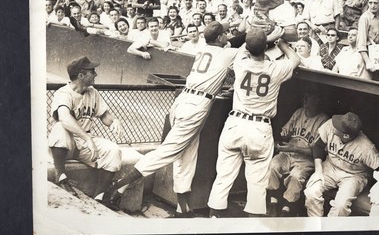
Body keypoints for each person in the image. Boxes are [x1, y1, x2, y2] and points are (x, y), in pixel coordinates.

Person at [103, 22, 244, 216]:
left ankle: (182, 207)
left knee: (186, 156)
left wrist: (233, 25)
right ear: (219, 38)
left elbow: (226, 37)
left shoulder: (204, 47)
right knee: (168, 152)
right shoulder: (226, 53)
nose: (227, 37)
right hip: (196, 105)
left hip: (183, 100)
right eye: (224, 35)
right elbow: (247, 43)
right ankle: (118, 186)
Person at [207, 29, 301, 217]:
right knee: (257, 183)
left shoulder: (240, 62)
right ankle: (252, 227)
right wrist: (281, 41)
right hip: (259, 127)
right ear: (265, 48)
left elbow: (245, 46)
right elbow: (295, 59)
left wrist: (267, 38)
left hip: (235, 123)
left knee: (223, 178)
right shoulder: (275, 68)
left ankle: (213, 221)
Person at [48, 56, 124, 207]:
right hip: (65, 146)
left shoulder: (93, 93)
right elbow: (63, 117)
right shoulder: (63, 93)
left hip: (85, 144)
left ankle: (100, 197)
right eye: (92, 71)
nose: (96, 74)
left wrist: (115, 121)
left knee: (113, 150)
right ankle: (61, 177)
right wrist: (87, 139)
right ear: (81, 75)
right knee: (60, 128)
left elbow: (104, 116)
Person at [304, 112, 379, 217]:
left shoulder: (366, 148)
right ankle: (317, 225)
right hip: (330, 167)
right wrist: (318, 171)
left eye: (338, 127)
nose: (334, 125)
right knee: (311, 192)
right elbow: (318, 146)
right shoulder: (330, 125)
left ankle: (331, 229)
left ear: (346, 135)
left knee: (341, 205)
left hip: (353, 175)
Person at [267, 91, 328, 217]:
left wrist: (294, 148)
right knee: (273, 165)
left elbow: (318, 151)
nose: (305, 102)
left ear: (317, 102)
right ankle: (273, 201)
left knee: (296, 176)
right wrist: (285, 135)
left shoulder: (324, 121)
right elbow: (286, 130)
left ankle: (287, 208)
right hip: (288, 154)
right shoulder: (299, 112)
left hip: (306, 160)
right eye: (305, 99)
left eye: (309, 100)